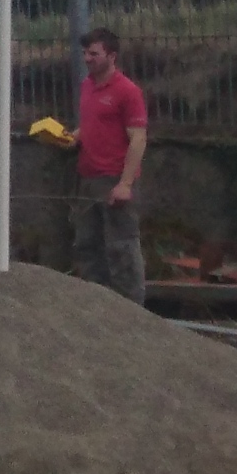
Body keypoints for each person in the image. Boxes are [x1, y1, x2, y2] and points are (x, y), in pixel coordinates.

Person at [57, 27, 151, 299]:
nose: (87, 58)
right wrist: (71, 137)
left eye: (94, 54)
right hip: (87, 179)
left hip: (113, 180)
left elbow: (138, 139)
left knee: (121, 248)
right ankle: (95, 303)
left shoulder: (127, 92)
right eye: (85, 53)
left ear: (111, 56)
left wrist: (125, 183)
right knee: (87, 245)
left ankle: (131, 307)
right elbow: (90, 126)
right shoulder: (87, 86)